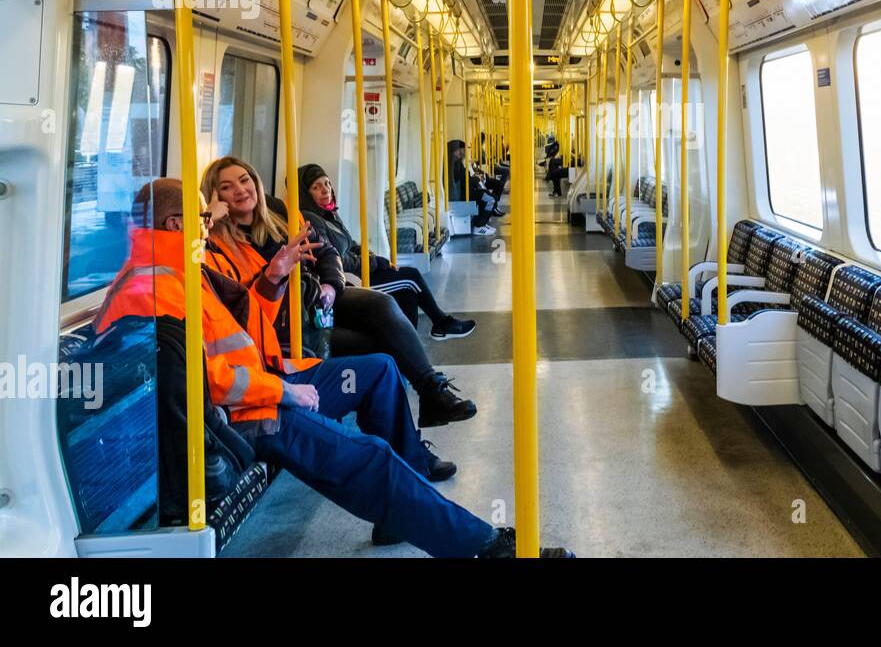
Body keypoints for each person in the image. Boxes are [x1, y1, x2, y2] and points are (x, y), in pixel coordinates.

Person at [97, 179, 571, 557]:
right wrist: (284, 392)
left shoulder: (175, 269)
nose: (208, 224)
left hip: (265, 383)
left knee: (380, 370)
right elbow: (204, 382)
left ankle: (402, 507)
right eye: (202, 217)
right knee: (370, 458)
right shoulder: (157, 290)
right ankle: (481, 549)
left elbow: (240, 336)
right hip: (243, 416)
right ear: (176, 223)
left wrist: (276, 280)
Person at [201, 156, 475, 432]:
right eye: (226, 187)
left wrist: (331, 285)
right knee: (380, 352)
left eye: (244, 180)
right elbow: (225, 292)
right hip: (284, 327)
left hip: (314, 300)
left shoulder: (281, 218)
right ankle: (408, 444)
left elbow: (326, 252)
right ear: (215, 196)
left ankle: (432, 390)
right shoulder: (213, 245)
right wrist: (207, 219)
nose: (240, 190)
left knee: (382, 304)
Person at [296, 163, 474, 340]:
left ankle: (409, 345)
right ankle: (440, 322)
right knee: (410, 276)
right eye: (316, 187)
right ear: (305, 193)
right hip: (349, 280)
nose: (325, 190)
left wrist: (371, 256)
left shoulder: (330, 214)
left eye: (327, 184)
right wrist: (375, 263)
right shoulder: (311, 220)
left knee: (407, 291)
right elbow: (336, 260)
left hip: (359, 269)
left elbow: (350, 244)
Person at [448, 140, 495, 235]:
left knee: (487, 195)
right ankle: (479, 226)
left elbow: (465, 179)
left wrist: (474, 179)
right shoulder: (454, 165)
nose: (462, 153)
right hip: (461, 195)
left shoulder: (457, 163)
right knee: (490, 199)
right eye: (459, 150)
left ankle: (482, 222)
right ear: (453, 151)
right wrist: (476, 179)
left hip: (464, 191)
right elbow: (465, 181)